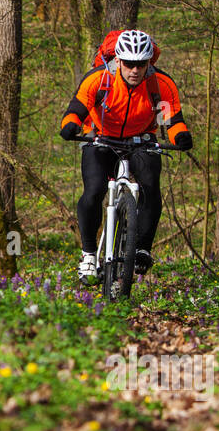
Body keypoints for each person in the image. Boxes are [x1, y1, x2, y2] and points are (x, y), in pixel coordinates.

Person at [58, 29, 192, 284]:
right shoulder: (99, 80)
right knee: (95, 189)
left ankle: (141, 248)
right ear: (118, 60)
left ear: (149, 62)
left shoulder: (160, 84)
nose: (135, 70)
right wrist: (71, 125)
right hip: (101, 137)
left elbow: (171, 120)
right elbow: (77, 108)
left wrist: (180, 136)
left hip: (142, 139)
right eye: (129, 63)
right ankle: (88, 255)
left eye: (141, 64)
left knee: (151, 186)